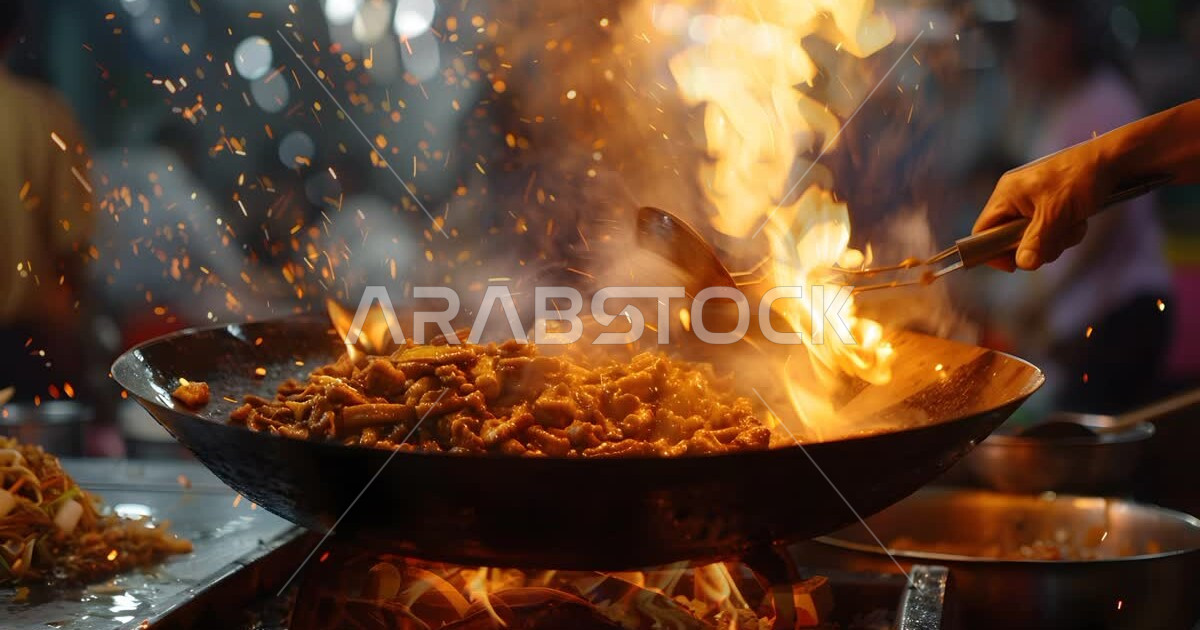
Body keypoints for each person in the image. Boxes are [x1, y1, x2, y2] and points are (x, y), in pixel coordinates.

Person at [0, 1, 94, 402]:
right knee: (28, 461)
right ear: (14, 33)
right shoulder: (45, 116)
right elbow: (71, 244)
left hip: (25, 339)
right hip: (25, 347)